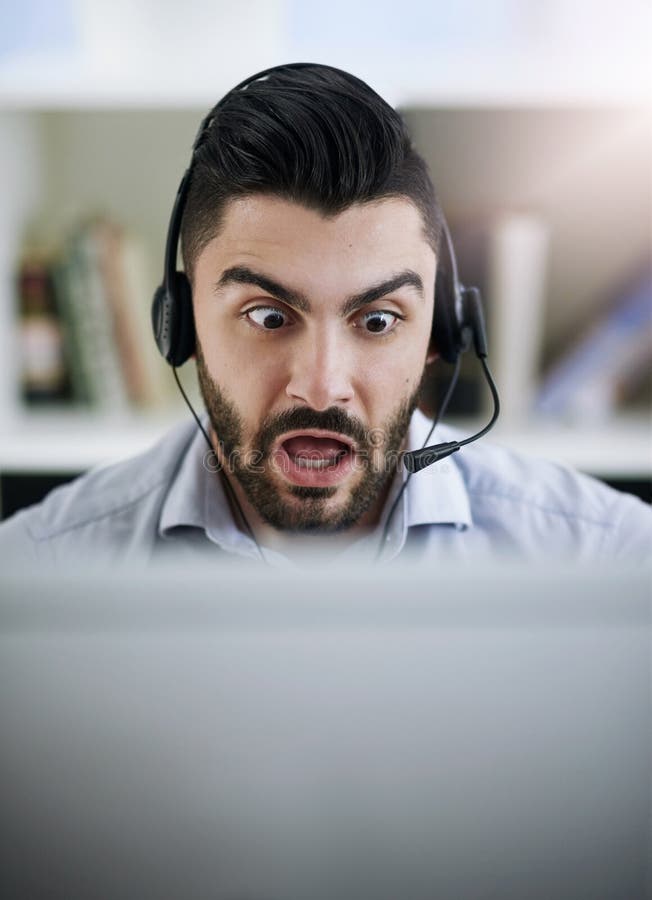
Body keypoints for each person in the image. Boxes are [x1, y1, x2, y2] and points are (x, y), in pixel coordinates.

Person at [0, 63, 649, 568]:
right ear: (183, 325)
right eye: (268, 316)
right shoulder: (35, 570)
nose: (321, 384)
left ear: (441, 334)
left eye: (376, 321)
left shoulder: (612, 559)